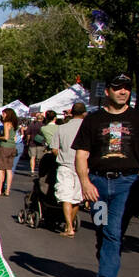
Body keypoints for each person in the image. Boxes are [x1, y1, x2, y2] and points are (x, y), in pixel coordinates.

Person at [72, 73, 139, 277]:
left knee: (113, 232)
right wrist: (85, 182)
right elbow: (81, 154)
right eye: (118, 88)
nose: (123, 91)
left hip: (127, 185)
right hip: (97, 185)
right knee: (103, 231)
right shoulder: (93, 120)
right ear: (107, 91)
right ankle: (106, 268)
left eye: (127, 88)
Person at [53, 101, 87, 237]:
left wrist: (62, 155)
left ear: (71, 113)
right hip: (83, 166)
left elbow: (54, 149)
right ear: (85, 113)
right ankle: (70, 225)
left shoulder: (61, 128)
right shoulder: (87, 129)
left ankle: (69, 227)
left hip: (65, 165)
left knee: (65, 196)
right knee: (76, 198)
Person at [0, 109, 19, 197]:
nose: (2, 115)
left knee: (1, 169)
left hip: (5, 147)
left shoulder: (6, 124)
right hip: (12, 147)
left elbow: (6, 137)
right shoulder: (14, 124)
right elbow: (13, 138)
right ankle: (7, 190)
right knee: (9, 169)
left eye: (3, 113)